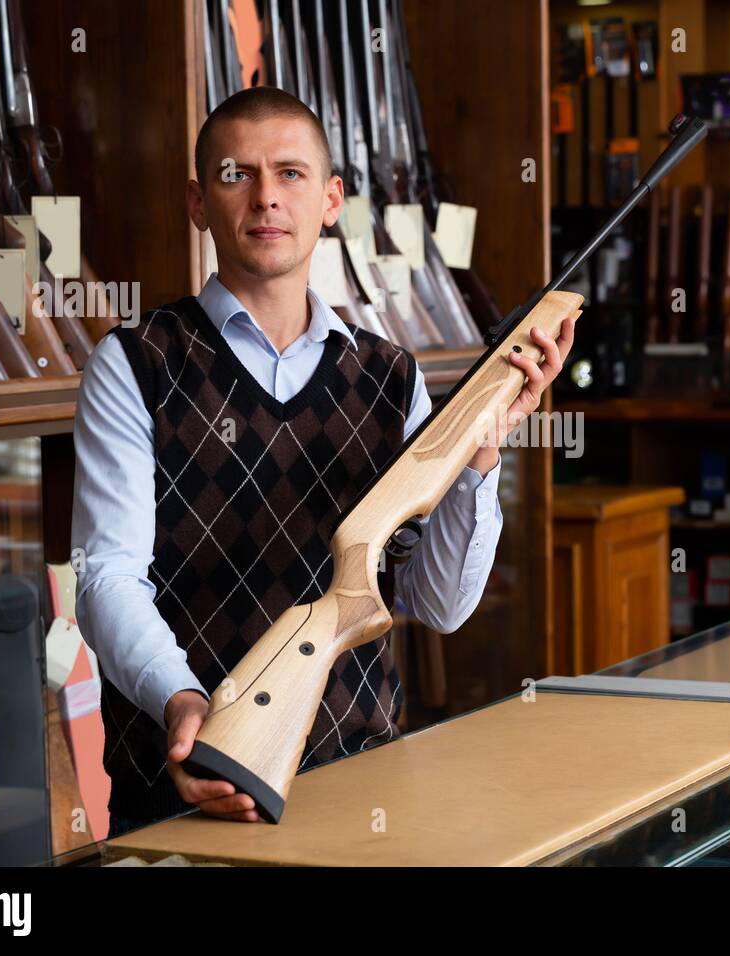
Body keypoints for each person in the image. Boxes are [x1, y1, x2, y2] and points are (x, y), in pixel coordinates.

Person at [71, 86, 575, 836]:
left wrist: (480, 455)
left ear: (333, 199)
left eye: (292, 174)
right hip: (187, 784)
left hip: (359, 788)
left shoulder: (391, 376)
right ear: (197, 202)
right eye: (236, 174)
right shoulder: (136, 363)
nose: (266, 198)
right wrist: (184, 703)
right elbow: (106, 576)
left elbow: (437, 605)